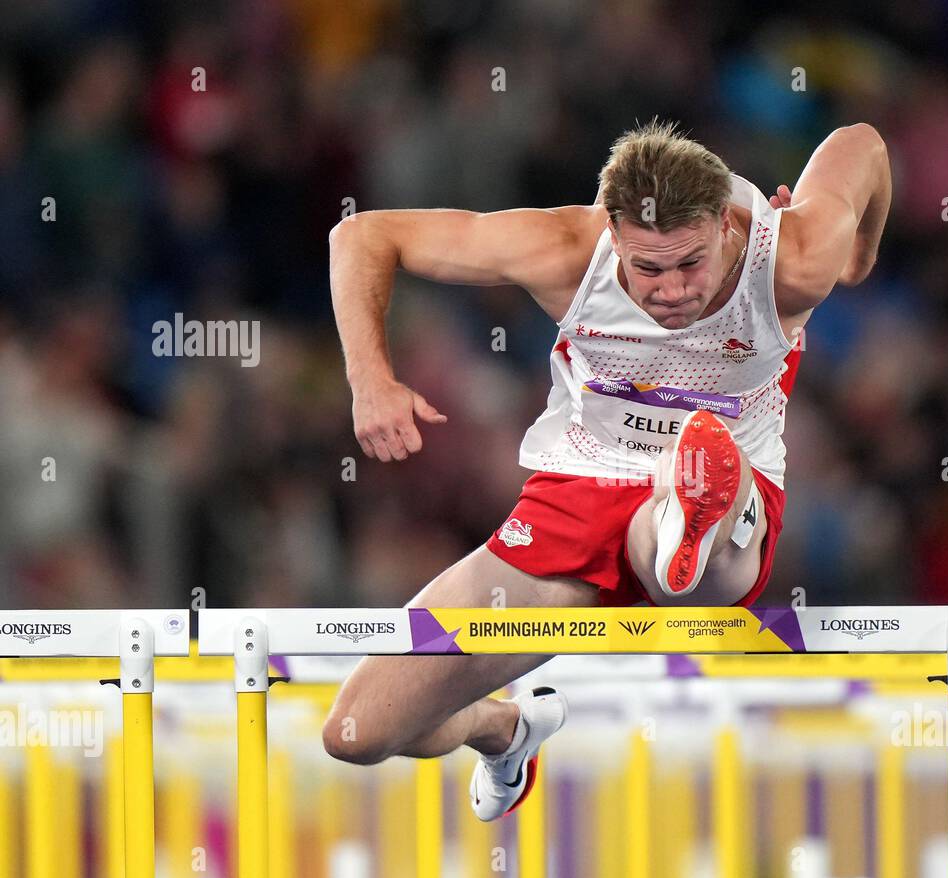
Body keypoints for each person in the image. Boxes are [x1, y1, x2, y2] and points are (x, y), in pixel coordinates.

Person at [323, 119, 891, 819]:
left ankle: (687, 517)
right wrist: (371, 379)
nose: (673, 290)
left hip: (726, 492)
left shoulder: (797, 256)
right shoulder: (565, 249)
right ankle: (504, 729)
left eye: (691, 263)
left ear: (725, 226)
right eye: (648, 268)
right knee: (358, 732)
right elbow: (362, 236)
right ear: (612, 235)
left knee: (680, 538)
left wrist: (857, 254)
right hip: (581, 489)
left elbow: (862, 143)